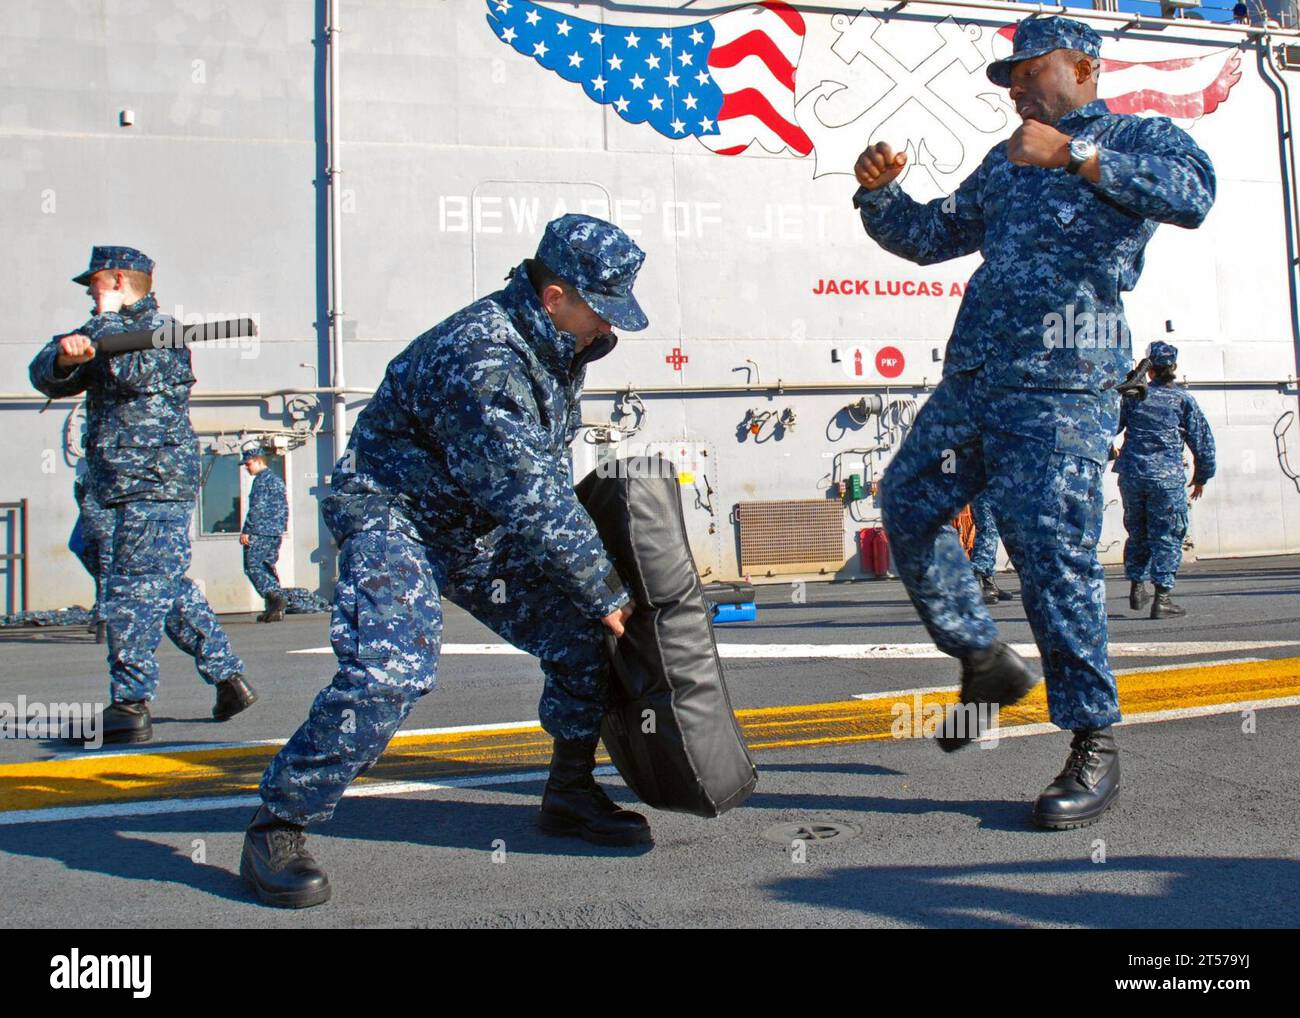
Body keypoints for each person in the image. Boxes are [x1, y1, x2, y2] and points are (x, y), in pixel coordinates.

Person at [853, 17, 1214, 829]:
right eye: (1009, 76)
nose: (1015, 86)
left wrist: (1078, 156)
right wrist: (878, 194)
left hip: (1060, 388)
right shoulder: (1006, 159)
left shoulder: (1133, 135)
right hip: (978, 380)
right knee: (908, 503)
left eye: (1027, 69)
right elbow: (932, 235)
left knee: (1052, 560)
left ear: (1083, 66)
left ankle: (1093, 741)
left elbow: (1195, 196)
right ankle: (983, 659)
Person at [240, 215, 649, 909]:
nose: (604, 329)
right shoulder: (482, 355)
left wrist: (594, 597)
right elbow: (528, 493)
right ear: (555, 297)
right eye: (597, 311)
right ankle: (278, 823)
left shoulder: (554, 347)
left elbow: (538, 481)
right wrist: (604, 590)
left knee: (580, 638)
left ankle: (570, 794)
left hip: (473, 527)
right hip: (394, 515)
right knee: (391, 669)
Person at [29, 246, 258, 745]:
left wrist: (98, 330)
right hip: (111, 484)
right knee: (146, 577)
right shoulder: (101, 333)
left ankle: (130, 704)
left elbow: (131, 372)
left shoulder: (164, 333)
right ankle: (225, 674)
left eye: (93, 285)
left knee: (134, 586)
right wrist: (64, 357)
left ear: (114, 281)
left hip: (152, 482)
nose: (89, 295)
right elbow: (44, 371)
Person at [1114, 341, 1215, 619]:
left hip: (1132, 475)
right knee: (1167, 535)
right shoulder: (1183, 400)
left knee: (1138, 531)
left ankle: (1137, 585)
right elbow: (1203, 442)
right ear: (1173, 368)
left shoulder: (1133, 397)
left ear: (1150, 370)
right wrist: (1201, 476)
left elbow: (1111, 426)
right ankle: (1163, 597)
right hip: (1166, 478)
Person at [239, 445, 289, 623]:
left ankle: (276, 597)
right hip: (274, 531)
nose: (246, 467)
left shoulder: (261, 481)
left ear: (259, 461)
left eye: (249, 463)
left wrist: (247, 530)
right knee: (267, 566)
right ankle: (274, 610)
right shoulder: (276, 480)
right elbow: (284, 509)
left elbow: (257, 508)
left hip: (260, 530)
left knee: (253, 566)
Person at [969, 491, 1012, 605]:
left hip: (991, 489)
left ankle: (988, 583)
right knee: (987, 530)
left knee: (992, 532)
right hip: (980, 489)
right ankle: (976, 584)